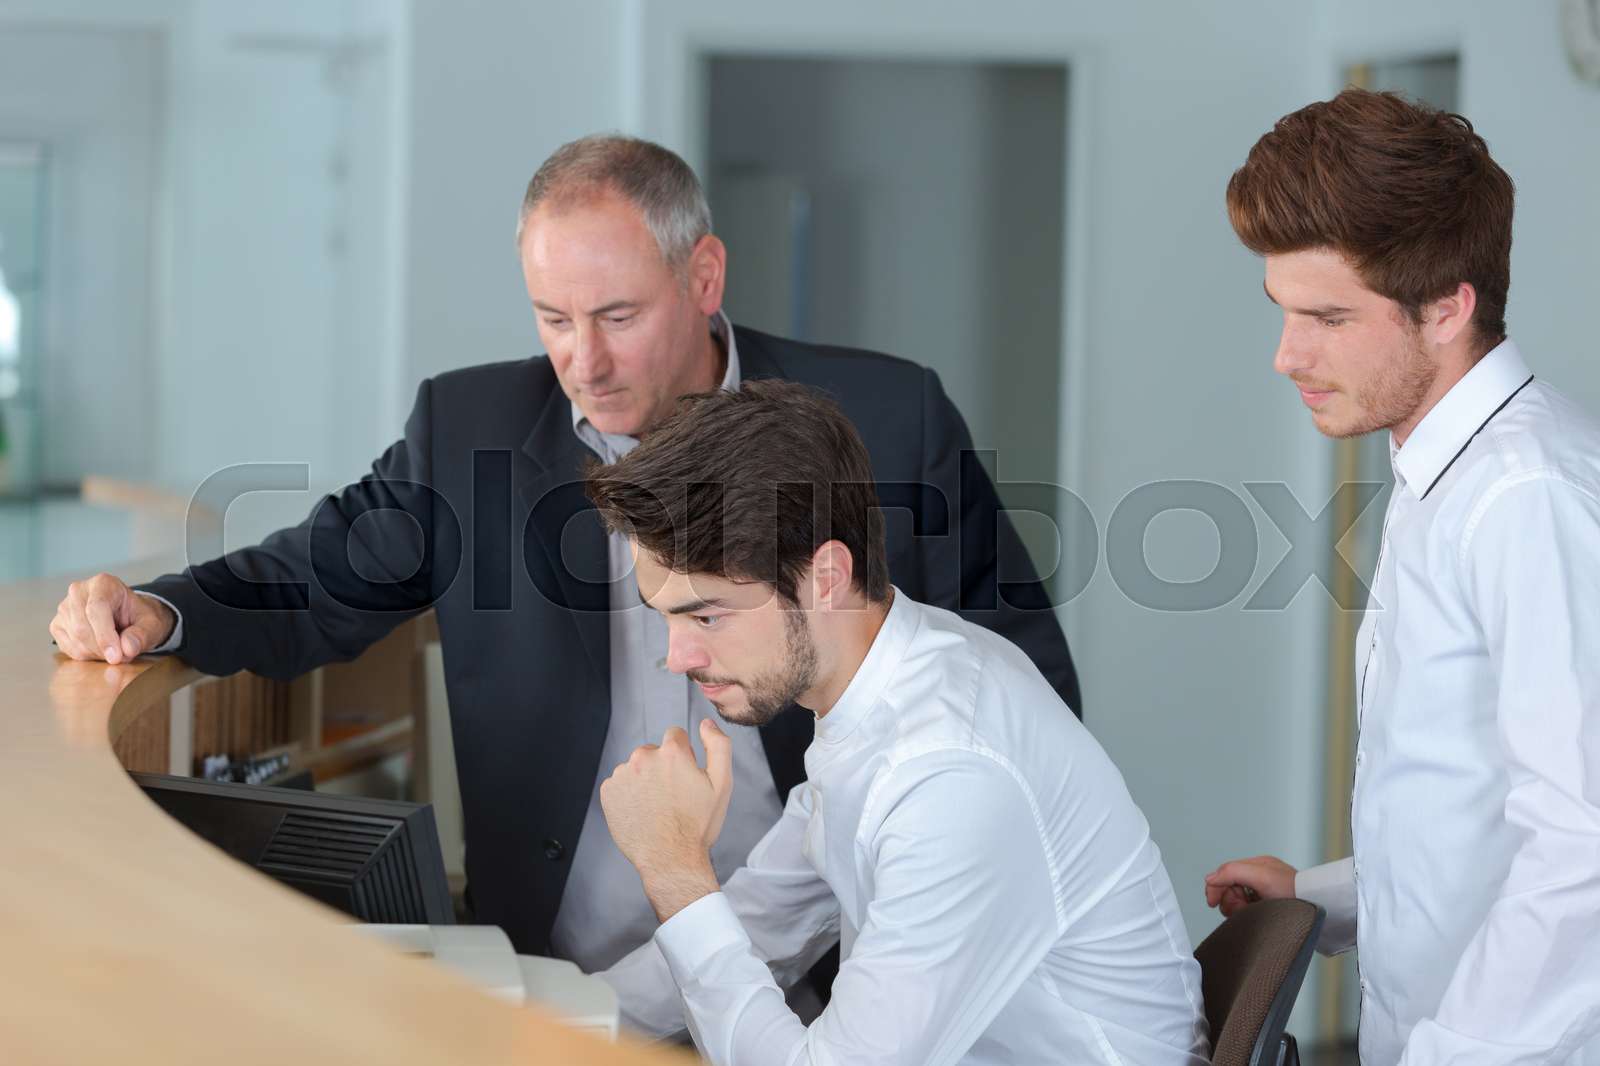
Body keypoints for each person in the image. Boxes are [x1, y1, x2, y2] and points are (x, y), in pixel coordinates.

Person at [46, 135, 1080, 975]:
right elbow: (315, 576)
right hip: (565, 974)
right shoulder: (468, 426)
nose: (583, 362)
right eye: (553, 319)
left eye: (619, 317)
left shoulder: (888, 418)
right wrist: (159, 609)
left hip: (838, 969)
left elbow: (1018, 677)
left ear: (704, 276)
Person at [584, 378, 1207, 1065]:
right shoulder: (883, 687)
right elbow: (766, 919)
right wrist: (532, 1015)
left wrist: (675, 871)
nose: (678, 657)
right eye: (663, 614)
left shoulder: (949, 770)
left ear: (826, 576)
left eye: (706, 615)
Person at [1203, 89, 1600, 1064]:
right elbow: (1472, 810)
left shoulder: (1528, 495)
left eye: (1328, 317)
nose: (1285, 355)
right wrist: (1325, 898)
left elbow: (1581, 850)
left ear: (1445, 308)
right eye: (1283, 312)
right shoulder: (1443, 472)